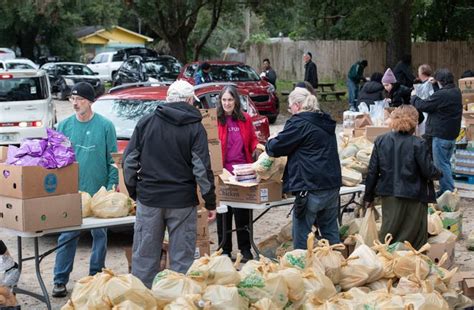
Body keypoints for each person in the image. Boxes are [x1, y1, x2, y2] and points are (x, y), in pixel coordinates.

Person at [123, 80, 217, 288]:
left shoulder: (146, 122)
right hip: (182, 202)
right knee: (181, 261)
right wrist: (210, 202)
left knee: (144, 257)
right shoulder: (195, 127)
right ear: (190, 100)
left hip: (150, 199)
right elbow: (201, 169)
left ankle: (140, 301)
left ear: (168, 99)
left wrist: (134, 192)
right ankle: (178, 301)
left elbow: (128, 161)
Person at [53, 82, 118, 298]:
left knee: (100, 235)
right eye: (72, 99)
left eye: (79, 99)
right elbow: (54, 160)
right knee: (67, 236)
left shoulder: (106, 126)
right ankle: (59, 280)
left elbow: (113, 160)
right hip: (72, 193)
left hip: (99, 193)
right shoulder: (63, 126)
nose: (75, 103)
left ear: (90, 101)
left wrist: (111, 185)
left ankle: (95, 276)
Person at [266, 87, 341, 248]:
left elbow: (276, 148)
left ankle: (303, 271)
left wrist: (271, 140)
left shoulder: (299, 123)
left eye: (290, 106)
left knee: (301, 236)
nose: (290, 110)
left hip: (309, 186)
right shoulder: (325, 120)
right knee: (331, 232)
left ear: (298, 105)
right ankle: (338, 266)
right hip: (331, 185)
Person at [364, 105, 441, 249]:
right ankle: (412, 266)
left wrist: (368, 197)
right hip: (414, 196)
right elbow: (428, 171)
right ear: (415, 123)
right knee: (414, 241)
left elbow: (372, 171)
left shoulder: (381, 140)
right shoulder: (418, 143)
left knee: (388, 236)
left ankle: (387, 265)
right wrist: (440, 173)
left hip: (389, 194)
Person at [216, 85, 259, 261]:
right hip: (223, 173)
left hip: (243, 172)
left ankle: (245, 248)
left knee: (243, 213)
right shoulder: (216, 120)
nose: (227, 103)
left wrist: (258, 149)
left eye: (230, 100)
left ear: (236, 101)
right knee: (224, 213)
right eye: (224, 100)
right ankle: (224, 249)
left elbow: (253, 141)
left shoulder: (245, 119)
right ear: (220, 101)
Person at [411, 68, 463, 196]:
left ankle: (448, 191)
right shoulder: (456, 91)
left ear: (441, 81)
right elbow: (438, 101)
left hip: (441, 135)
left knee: (441, 164)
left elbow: (424, 105)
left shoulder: (442, 95)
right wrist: (435, 84)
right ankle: (446, 189)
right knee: (446, 162)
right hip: (451, 134)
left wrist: (414, 97)